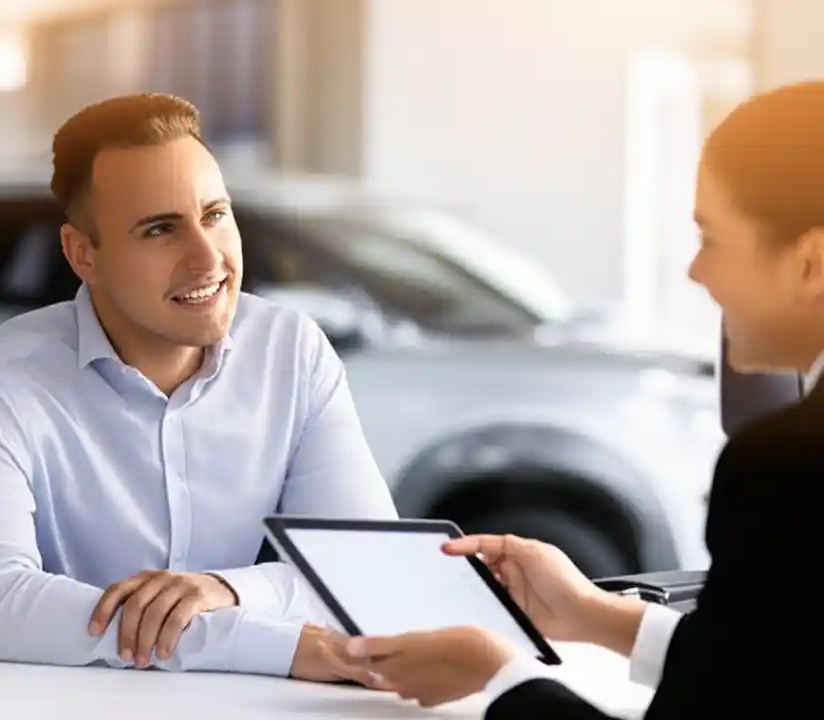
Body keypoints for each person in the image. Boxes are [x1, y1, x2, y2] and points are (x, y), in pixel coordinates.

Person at [344, 81, 824, 716]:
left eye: (711, 239)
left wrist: (499, 677)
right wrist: (593, 615)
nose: (695, 272)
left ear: (811, 263)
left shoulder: (784, 469)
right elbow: (764, 666)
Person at [0, 93, 395, 684]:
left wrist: (223, 590)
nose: (208, 258)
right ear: (82, 254)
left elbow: (368, 567)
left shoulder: (293, 353)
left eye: (214, 215)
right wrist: (262, 644)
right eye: (160, 230)